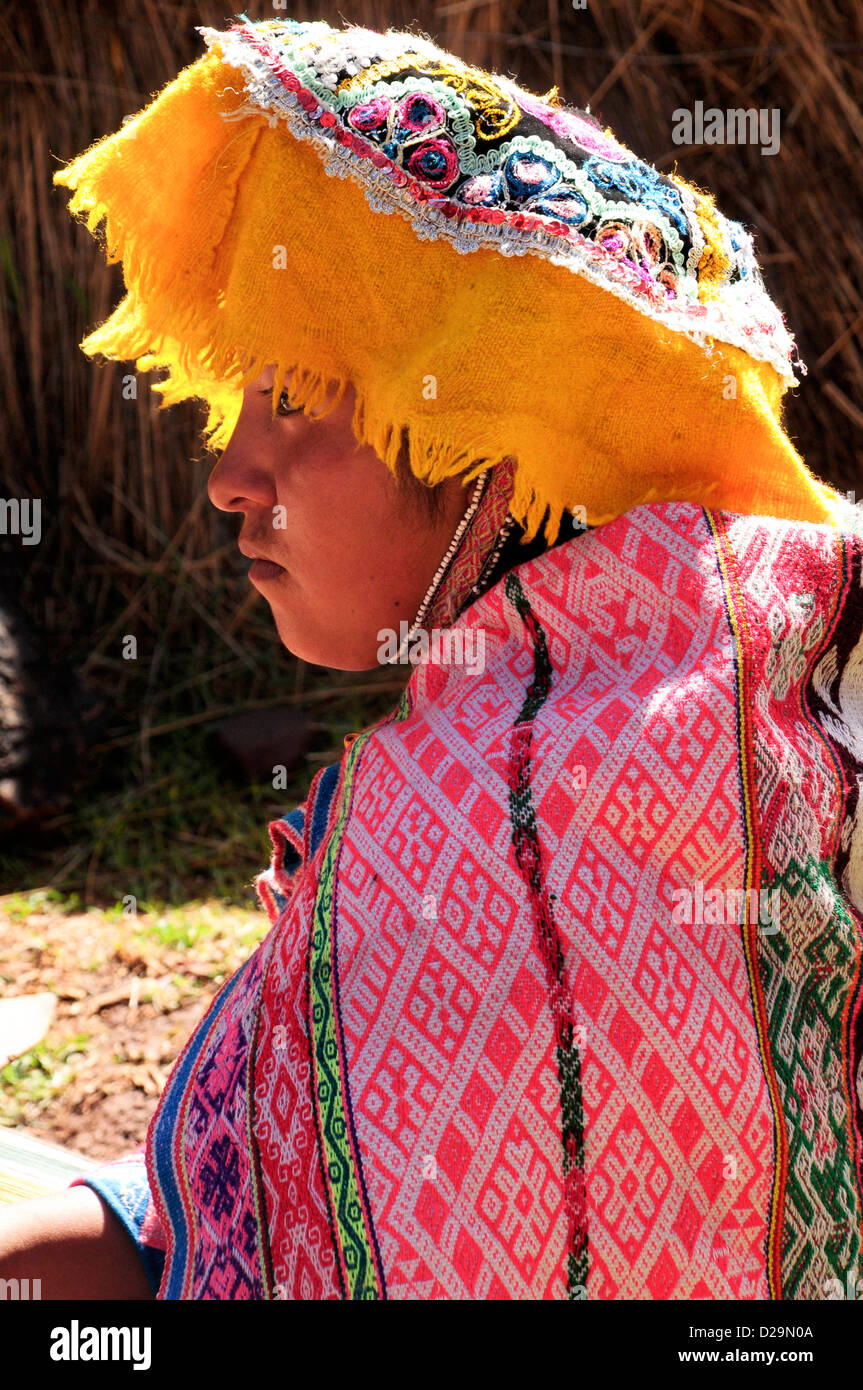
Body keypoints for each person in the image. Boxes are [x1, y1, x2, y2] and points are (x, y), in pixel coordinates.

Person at [2, 13, 862, 1300]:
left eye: (293, 399)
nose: (233, 476)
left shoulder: (475, 831)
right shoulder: (753, 658)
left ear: (484, 449)